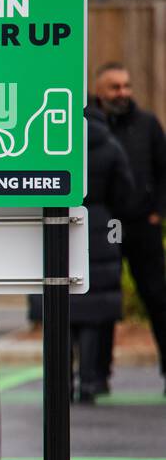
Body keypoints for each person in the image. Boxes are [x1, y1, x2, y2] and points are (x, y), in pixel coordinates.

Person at [93, 63, 166, 392]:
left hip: (141, 224)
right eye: (114, 87)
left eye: (126, 86)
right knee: (104, 299)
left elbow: (164, 169)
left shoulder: (147, 124)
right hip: (107, 227)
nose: (122, 93)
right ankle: (98, 374)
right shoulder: (90, 126)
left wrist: (157, 213)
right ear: (99, 90)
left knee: (157, 295)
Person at [72, 102, 135, 402]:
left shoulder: (57, 141)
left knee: (64, 311)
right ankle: (90, 380)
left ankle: (62, 381)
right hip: (102, 229)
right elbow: (125, 194)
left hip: (61, 226)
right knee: (94, 315)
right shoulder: (110, 146)